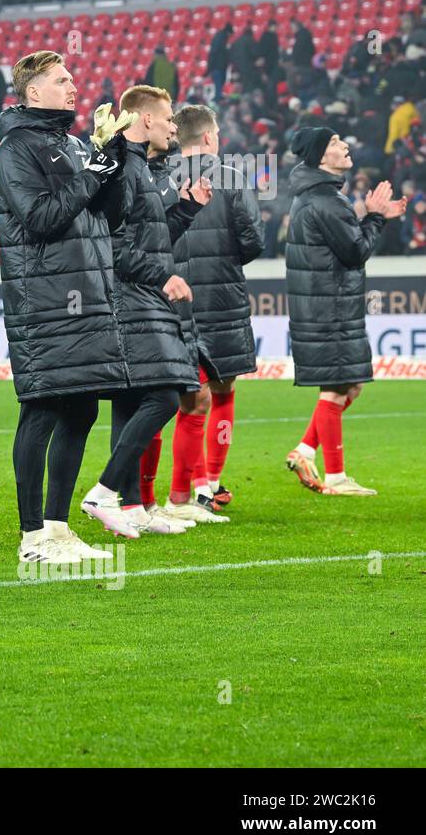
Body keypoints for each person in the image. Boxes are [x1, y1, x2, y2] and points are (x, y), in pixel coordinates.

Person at [0, 51, 130, 564]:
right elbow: (41, 217)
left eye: (72, 77)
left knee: (82, 407)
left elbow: (109, 217)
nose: (73, 86)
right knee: (42, 406)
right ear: (33, 93)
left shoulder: (74, 145)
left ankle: (58, 528)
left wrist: (112, 160)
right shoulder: (14, 150)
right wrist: (92, 172)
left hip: (87, 293)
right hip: (44, 298)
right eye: (61, 80)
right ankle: (32, 540)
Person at [79, 85, 211, 538]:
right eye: (169, 118)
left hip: (137, 295)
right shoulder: (123, 169)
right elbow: (113, 247)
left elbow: (151, 237)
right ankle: (104, 492)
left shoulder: (141, 168)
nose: (175, 126)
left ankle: (131, 504)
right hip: (130, 296)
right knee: (165, 396)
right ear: (146, 119)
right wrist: (161, 277)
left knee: (130, 399)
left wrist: (188, 210)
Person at [155, 105, 264, 524]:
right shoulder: (230, 178)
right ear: (206, 138)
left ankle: (183, 489)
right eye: (216, 133)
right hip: (222, 298)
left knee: (185, 396)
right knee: (221, 390)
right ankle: (209, 483)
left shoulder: (159, 177)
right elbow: (253, 240)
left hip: (172, 297)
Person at [284, 128, 406, 495]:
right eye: (336, 142)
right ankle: (336, 476)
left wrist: (373, 215)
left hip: (325, 303)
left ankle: (305, 450)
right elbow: (355, 252)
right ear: (321, 156)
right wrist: (375, 217)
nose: (345, 145)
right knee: (337, 388)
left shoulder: (316, 197)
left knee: (349, 385)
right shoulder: (325, 200)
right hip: (329, 306)